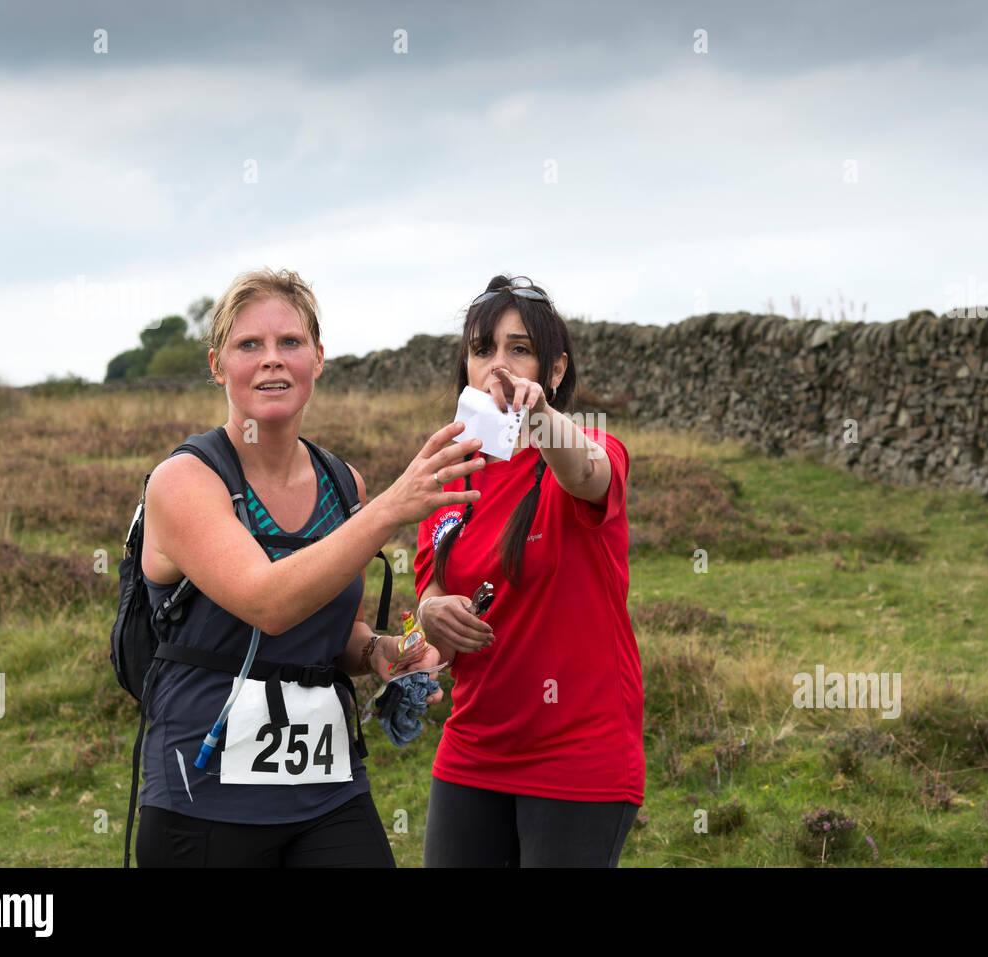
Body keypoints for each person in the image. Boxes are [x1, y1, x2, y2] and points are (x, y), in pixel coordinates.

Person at [136, 267, 482, 867]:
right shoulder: (185, 481)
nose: (272, 360)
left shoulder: (341, 482)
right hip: (202, 792)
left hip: (327, 789)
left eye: (290, 343)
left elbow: (329, 629)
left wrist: (379, 650)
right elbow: (268, 603)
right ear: (218, 365)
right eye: (250, 345)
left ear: (318, 359)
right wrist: (392, 509)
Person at [413, 274, 644, 867]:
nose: (499, 367)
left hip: (577, 753)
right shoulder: (449, 474)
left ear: (555, 370)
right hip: (473, 746)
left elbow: (585, 471)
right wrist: (430, 613)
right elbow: (432, 588)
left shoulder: (591, 447)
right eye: (482, 349)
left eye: (520, 349)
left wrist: (539, 419)